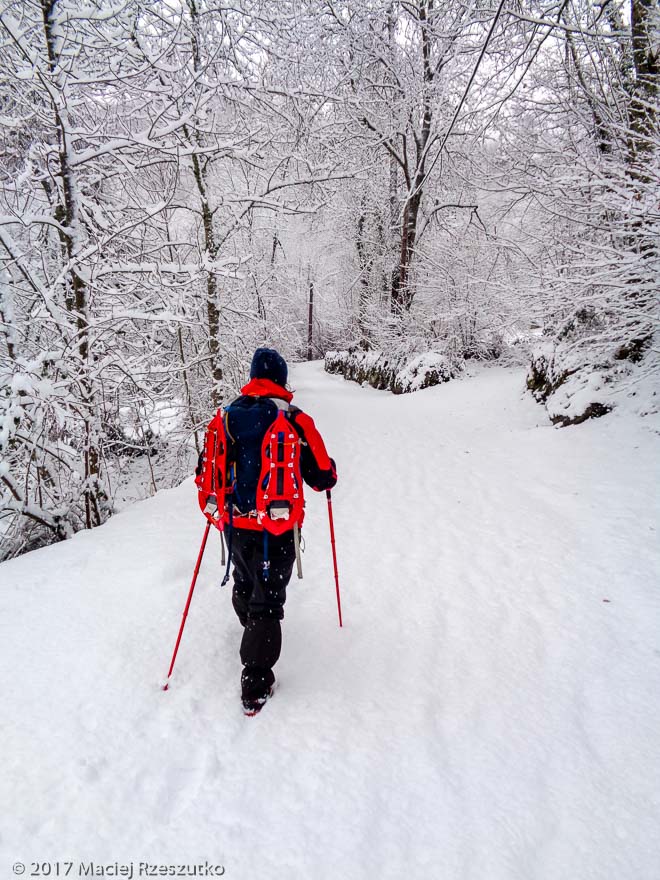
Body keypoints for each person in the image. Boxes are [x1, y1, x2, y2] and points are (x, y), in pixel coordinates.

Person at [219, 348, 337, 715]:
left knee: (244, 576)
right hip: (278, 525)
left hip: (234, 522)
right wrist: (329, 470)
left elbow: (207, 468)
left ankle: (248, 620)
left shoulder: (227, 415)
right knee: (268, 599)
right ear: (283, 380)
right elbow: (321, 476)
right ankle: (255, 683)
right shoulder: (295, 420)